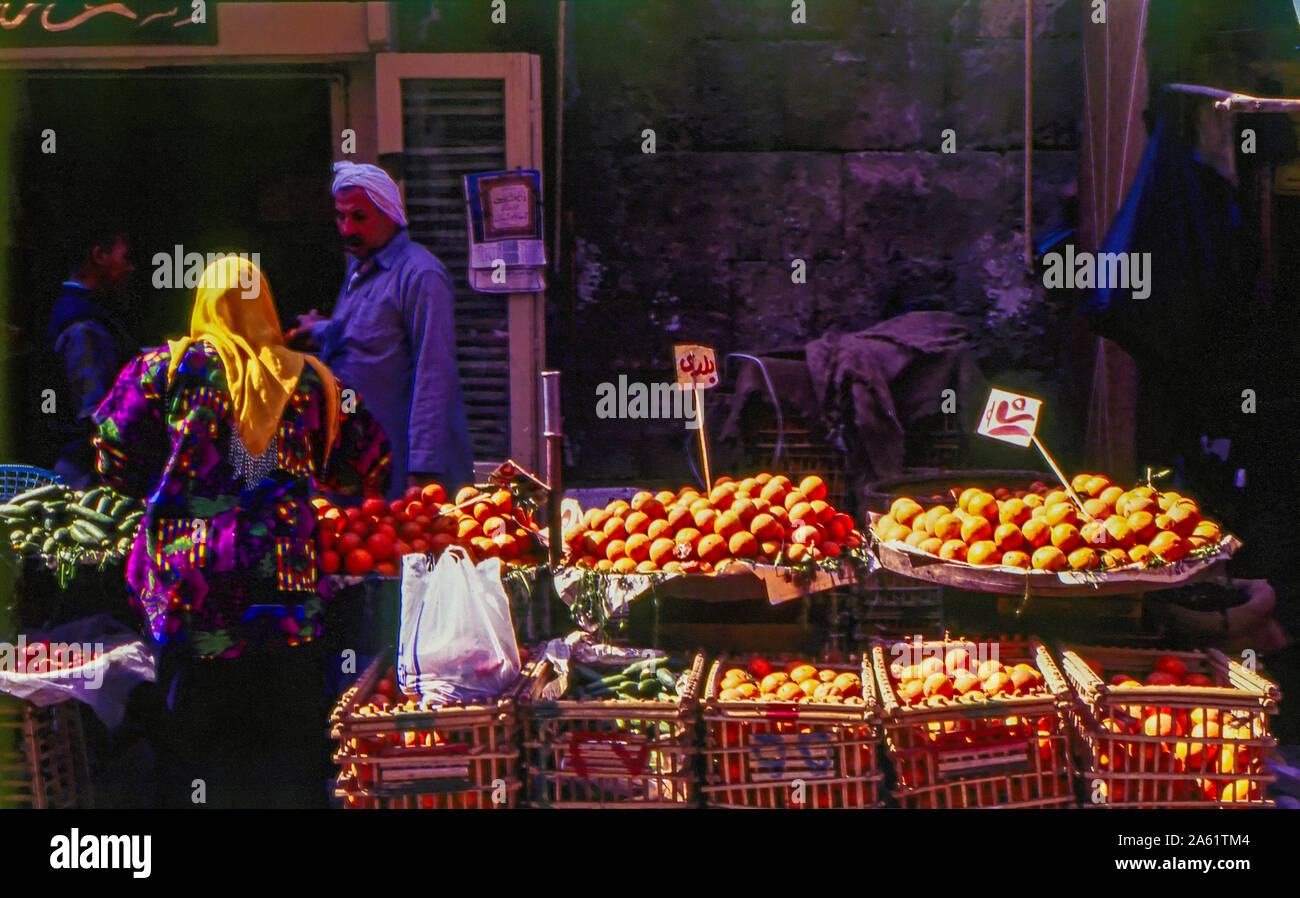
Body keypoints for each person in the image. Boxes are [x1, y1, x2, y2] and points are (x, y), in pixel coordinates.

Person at [93, 256, 390, 809]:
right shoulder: (312, 381)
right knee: (288, 747)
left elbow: (112, 458)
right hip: (284, 595)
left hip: (192, 595)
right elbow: (371, 462)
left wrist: (173, 476)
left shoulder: (161, 371)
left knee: (194, 746)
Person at [295, 161, 473, 499]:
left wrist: (422, 472)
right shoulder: (360, 264)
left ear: (389, 214)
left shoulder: (421, 275)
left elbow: (434, 375)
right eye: (341, 216)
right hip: (357, 452)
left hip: (402, 464)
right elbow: (367, 333)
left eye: (359, 217)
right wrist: (318, 331)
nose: (347, 228)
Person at [45, 223, 136, 487]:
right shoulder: (83, 326)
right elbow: (98, 414)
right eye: (126, 257)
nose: (131, 268)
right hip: (88, 478)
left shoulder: (76, 313)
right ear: (99, 256)